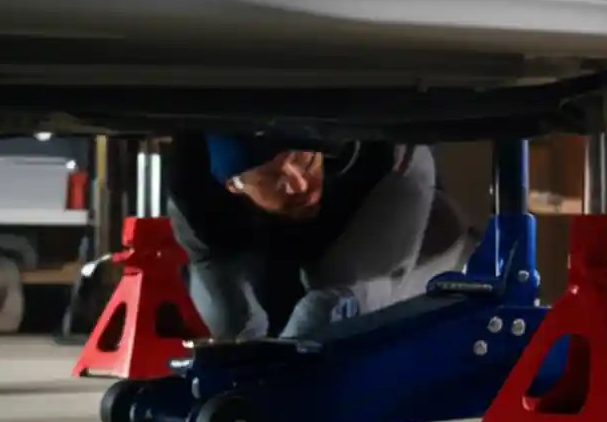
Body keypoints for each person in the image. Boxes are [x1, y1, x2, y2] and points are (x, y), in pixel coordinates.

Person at [165, 132, 458, 340]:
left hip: (385, 197)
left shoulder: (366, 151)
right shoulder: (196, 197)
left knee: (324, 310)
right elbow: (222, 284)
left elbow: (337, 301)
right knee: (236, 328)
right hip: (263, 238)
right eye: (274, 177)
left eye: (303, 160)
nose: (300, 184)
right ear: (235, 185)